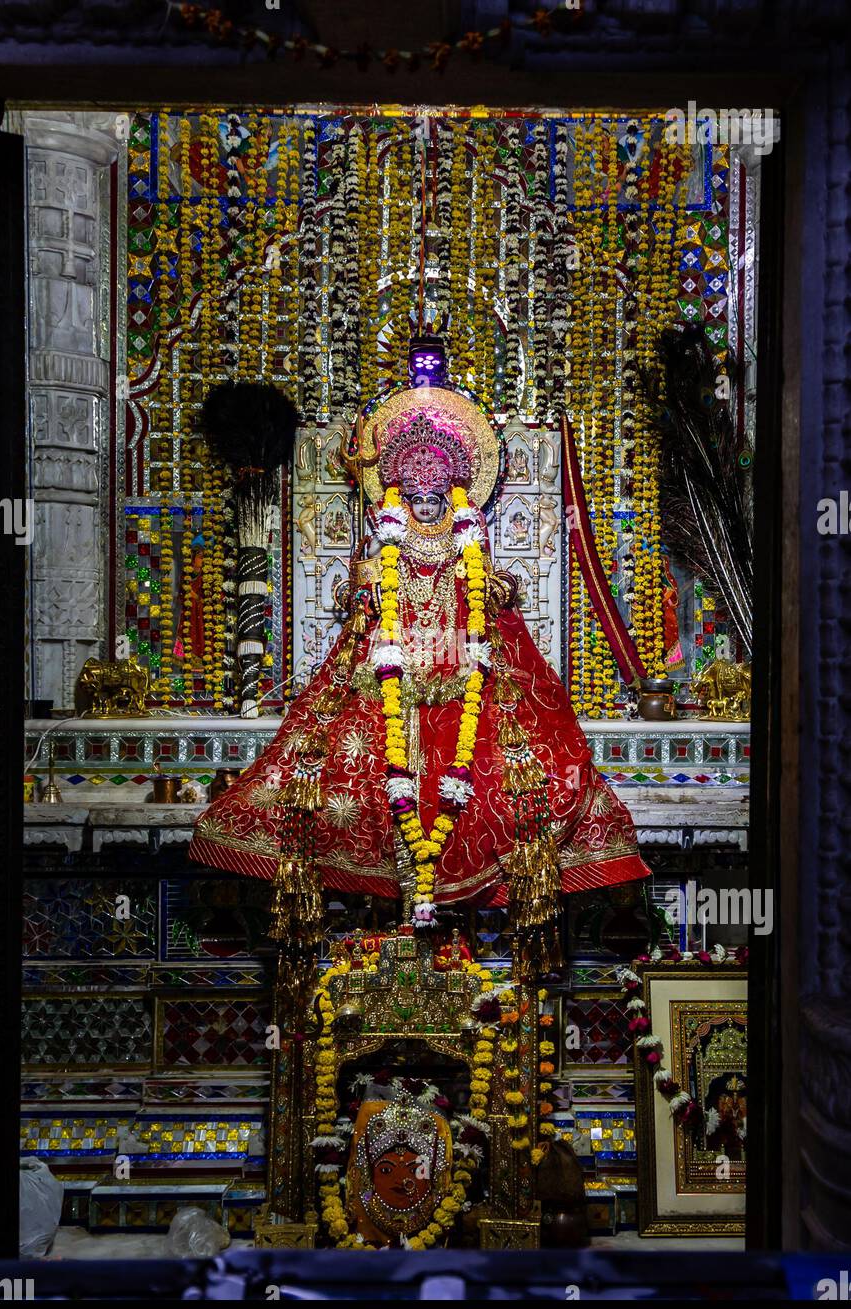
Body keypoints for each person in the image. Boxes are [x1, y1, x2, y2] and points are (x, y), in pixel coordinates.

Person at [190, 400, 649, 955]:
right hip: (388, 698)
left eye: (435, 497)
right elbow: (356, 608)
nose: (426, 506)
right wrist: (362, 593)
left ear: (454, 496)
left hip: (466, 701)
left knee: (523, 784)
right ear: (397, 499)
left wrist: (497, 591)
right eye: (415, 497)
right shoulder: (381, 550)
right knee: (332, 792)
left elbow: (496, 608)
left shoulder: (468, 552)